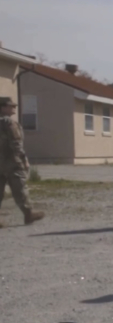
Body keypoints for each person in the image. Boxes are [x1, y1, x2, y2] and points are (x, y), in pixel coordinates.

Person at [0, 97, 45, 227]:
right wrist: (23, 159)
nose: (14, 108)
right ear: (2, 107)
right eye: (10, 106)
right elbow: (16, 143)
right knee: (19, 187)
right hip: (11, 160)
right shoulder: (9, 123)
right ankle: (28, 213)